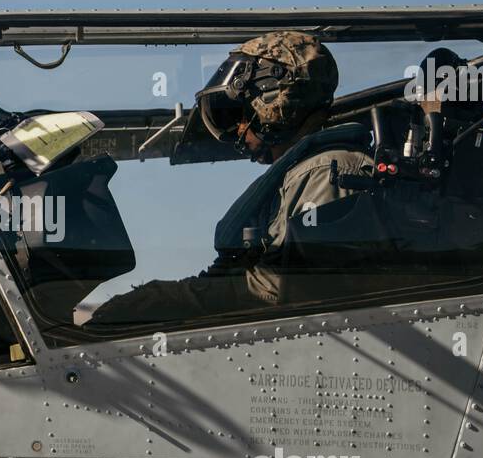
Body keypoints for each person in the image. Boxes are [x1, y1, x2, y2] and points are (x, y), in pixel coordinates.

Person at [88, 31, 372, 324]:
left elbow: (282, 293)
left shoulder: (330, 172)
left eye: (240, 116)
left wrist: (168, 298)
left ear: (278, 99)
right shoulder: (301, 174)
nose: (237, 132)